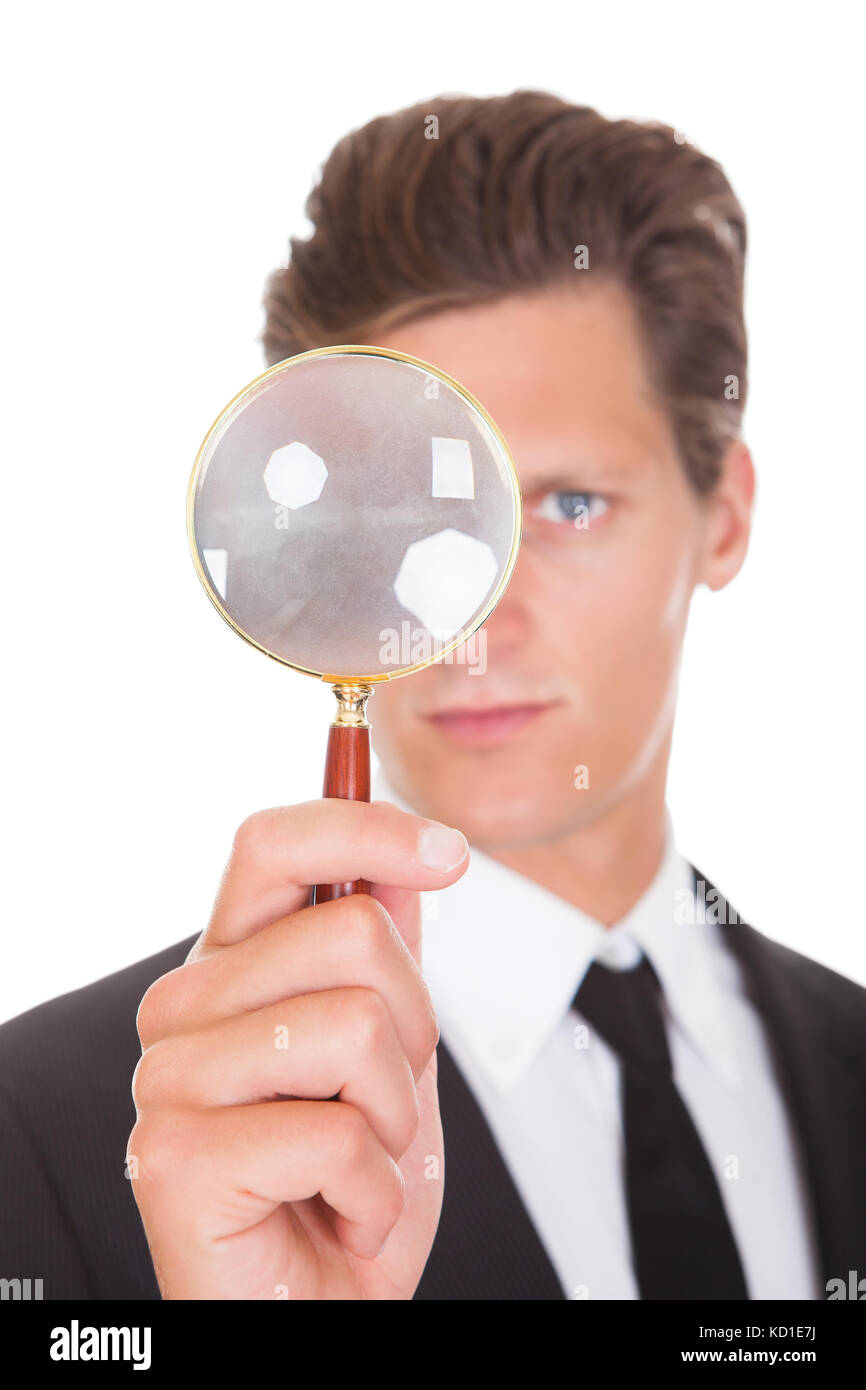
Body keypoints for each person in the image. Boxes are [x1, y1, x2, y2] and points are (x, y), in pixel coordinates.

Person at [2, 89, 864, 1302]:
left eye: (565, 506)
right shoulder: (45, 1135)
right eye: (402, 514)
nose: (469, 620)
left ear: (722, 515)